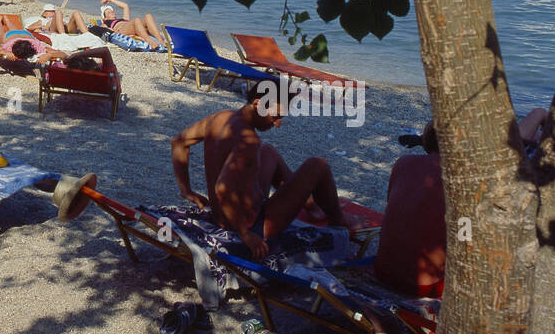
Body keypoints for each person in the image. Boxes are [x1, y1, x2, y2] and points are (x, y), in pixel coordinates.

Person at [170, 100, 359, 261]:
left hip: (221, 215)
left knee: (269, 152)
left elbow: (178, 142)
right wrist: (245, 235)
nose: (278, 124)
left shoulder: (220, 118)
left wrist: (186, 190)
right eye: (275, 116)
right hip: (254, 225)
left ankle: (311, 206)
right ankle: (338, 218)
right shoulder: (249, 141)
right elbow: (222, 188)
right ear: (258, 103)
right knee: (318, 165)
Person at [373, 122, 446, 298]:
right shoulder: (461, 179)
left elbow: (394, 206)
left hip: (382, 271)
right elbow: (464, 238)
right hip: (424, 287)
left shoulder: (403, 163)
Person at [96, 0, 165, 48]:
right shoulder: (106, 22)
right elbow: (103, 29)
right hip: (122, 30)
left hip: (134, 27)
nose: (112, 12)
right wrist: (111, 30)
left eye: (112, 11)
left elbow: (125, 6)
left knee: (148, 16)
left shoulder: (124, 19)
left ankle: (160, 40)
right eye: (109, 12)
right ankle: (150, 41)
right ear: (105, 18)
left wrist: (110, 0)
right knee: (136, 20)